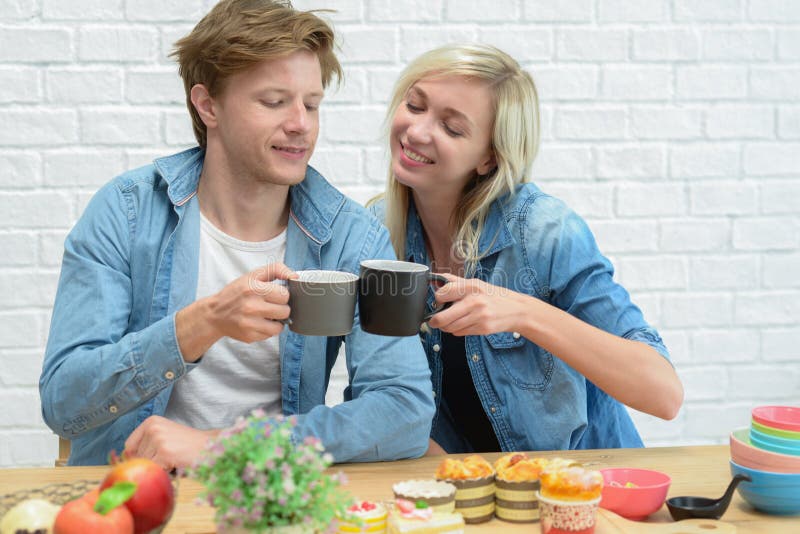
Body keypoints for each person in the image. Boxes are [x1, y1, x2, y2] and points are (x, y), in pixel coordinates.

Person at [39, 0, 434, 468]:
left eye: (311, 104)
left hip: (270, 495)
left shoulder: (352, 237)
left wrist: (220, 448)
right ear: (208, 105)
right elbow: (63, 403)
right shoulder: (126, 213)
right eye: (274, 101)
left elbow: (405, 411)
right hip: (133, 493)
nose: (301, 125)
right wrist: (199, 325)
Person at [369, 43, 683, 454]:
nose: (417, 131)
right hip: (475, 496)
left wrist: (524, 312)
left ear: (489, 159)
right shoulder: (378, 231)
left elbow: (662, 393)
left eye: (452, 127)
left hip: (584, 487)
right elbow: (385, 393)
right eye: (415, 104)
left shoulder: (544, 231)